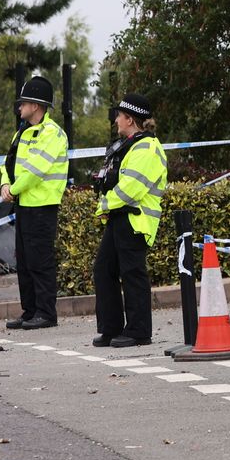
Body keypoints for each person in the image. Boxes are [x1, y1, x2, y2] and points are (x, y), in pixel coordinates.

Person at [92, 93, 168, 348]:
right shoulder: (132, 145)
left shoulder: (146, 148)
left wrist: (102, 205)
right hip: (120, 218)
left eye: (119, 117)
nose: (115, 121)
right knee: (104, 270)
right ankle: (111, 328)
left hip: (135, 220)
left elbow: (130, 189)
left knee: (133, 274)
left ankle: (138, 331)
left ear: (129, 119)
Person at [2, 75, 69, 330]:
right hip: (24, 204)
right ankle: (30, 311)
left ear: (37, 106)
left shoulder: (52, 134)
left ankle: (46, 313)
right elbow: (7, 163)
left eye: (24, 103)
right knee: (25, 261)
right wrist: (4, 185)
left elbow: (35, 170)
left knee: (40, 260)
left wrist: (13, 190)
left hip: (42, 206)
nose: (19, 107)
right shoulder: (21, 132)